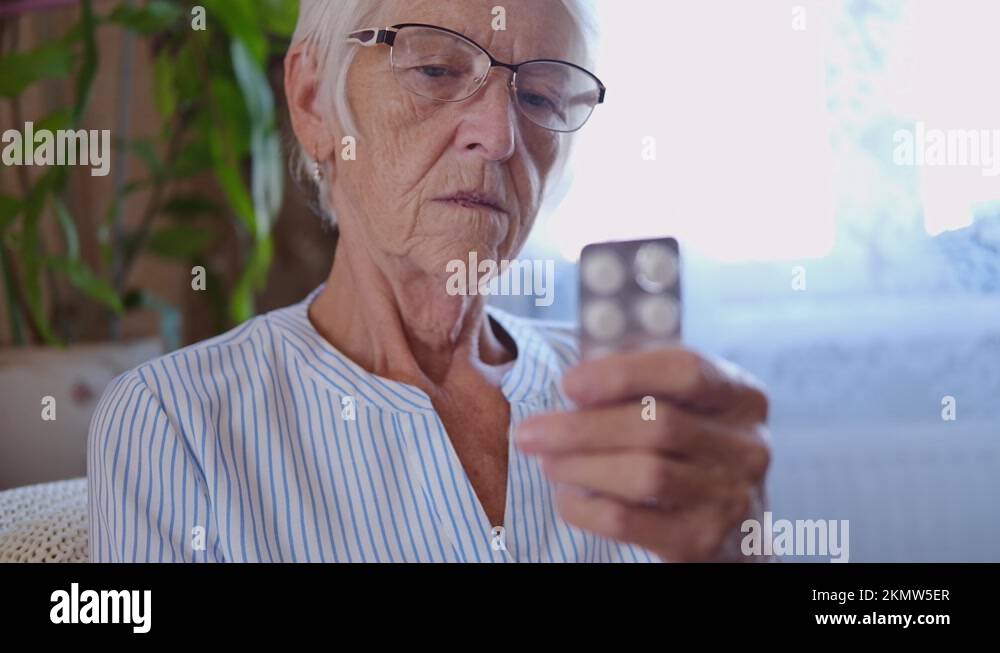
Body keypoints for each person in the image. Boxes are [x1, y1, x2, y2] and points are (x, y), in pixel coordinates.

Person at [88, 0, 770, 563]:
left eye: (538, 95)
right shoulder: (174, 420)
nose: (499, 134)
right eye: (438, 69)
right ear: (311, 101)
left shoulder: (630, 400)